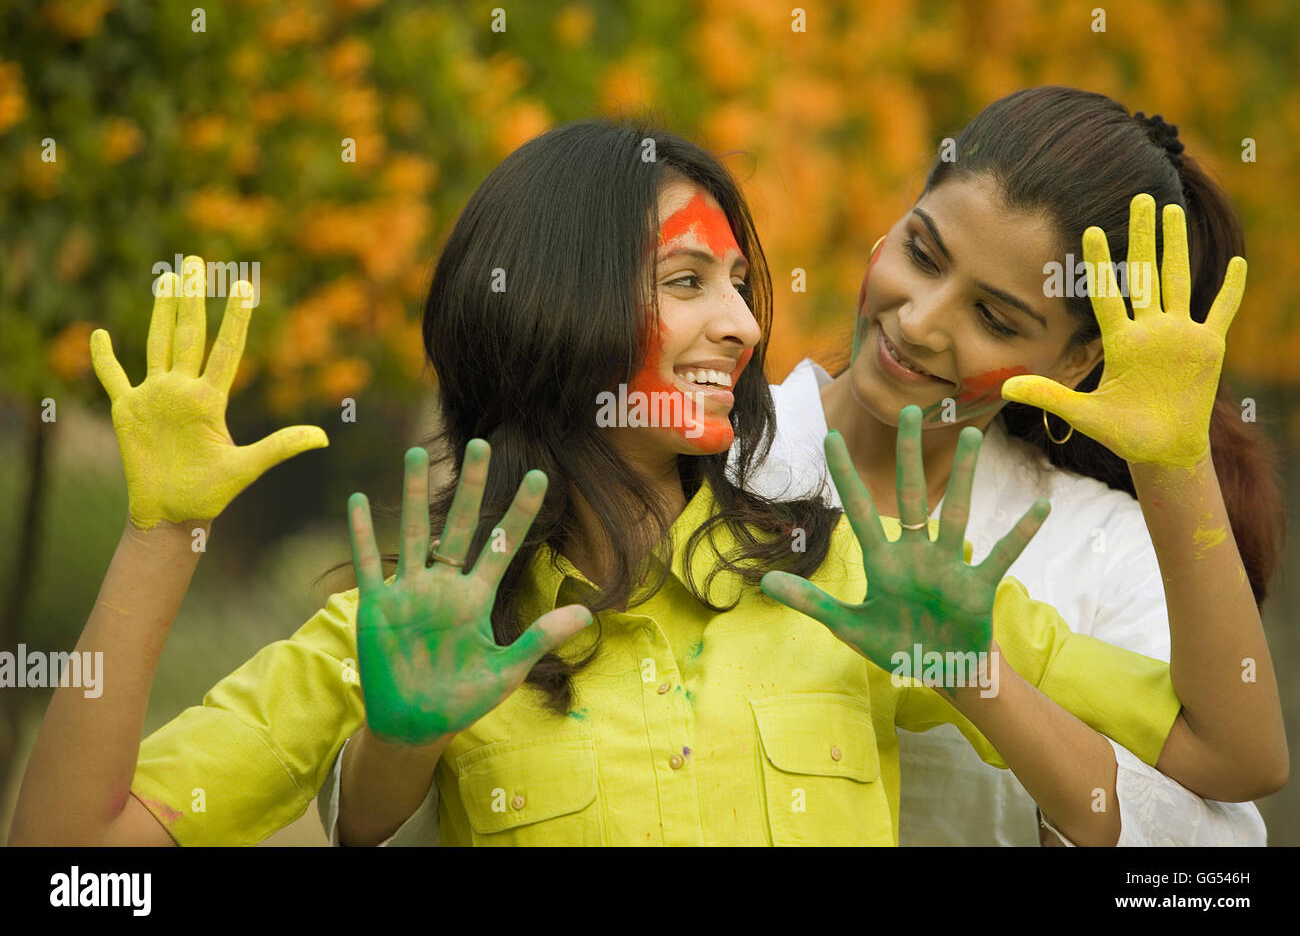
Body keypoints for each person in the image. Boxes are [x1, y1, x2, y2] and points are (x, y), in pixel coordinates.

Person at [5, 120, 1270, 848]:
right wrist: (161, 533)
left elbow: (1231, 756)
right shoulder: (421, 621)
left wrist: (975, 664)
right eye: (685, 282)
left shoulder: (853, 578)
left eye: (738, 284)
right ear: (558, 313)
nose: (741, 322)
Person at [749, 86, 1288, 844]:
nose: (921, 321)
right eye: (922, 253)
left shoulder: (1101, 547)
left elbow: (1216, 847)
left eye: (995, 319)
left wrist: (979, 680)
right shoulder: (721, 459)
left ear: (1075, 361)